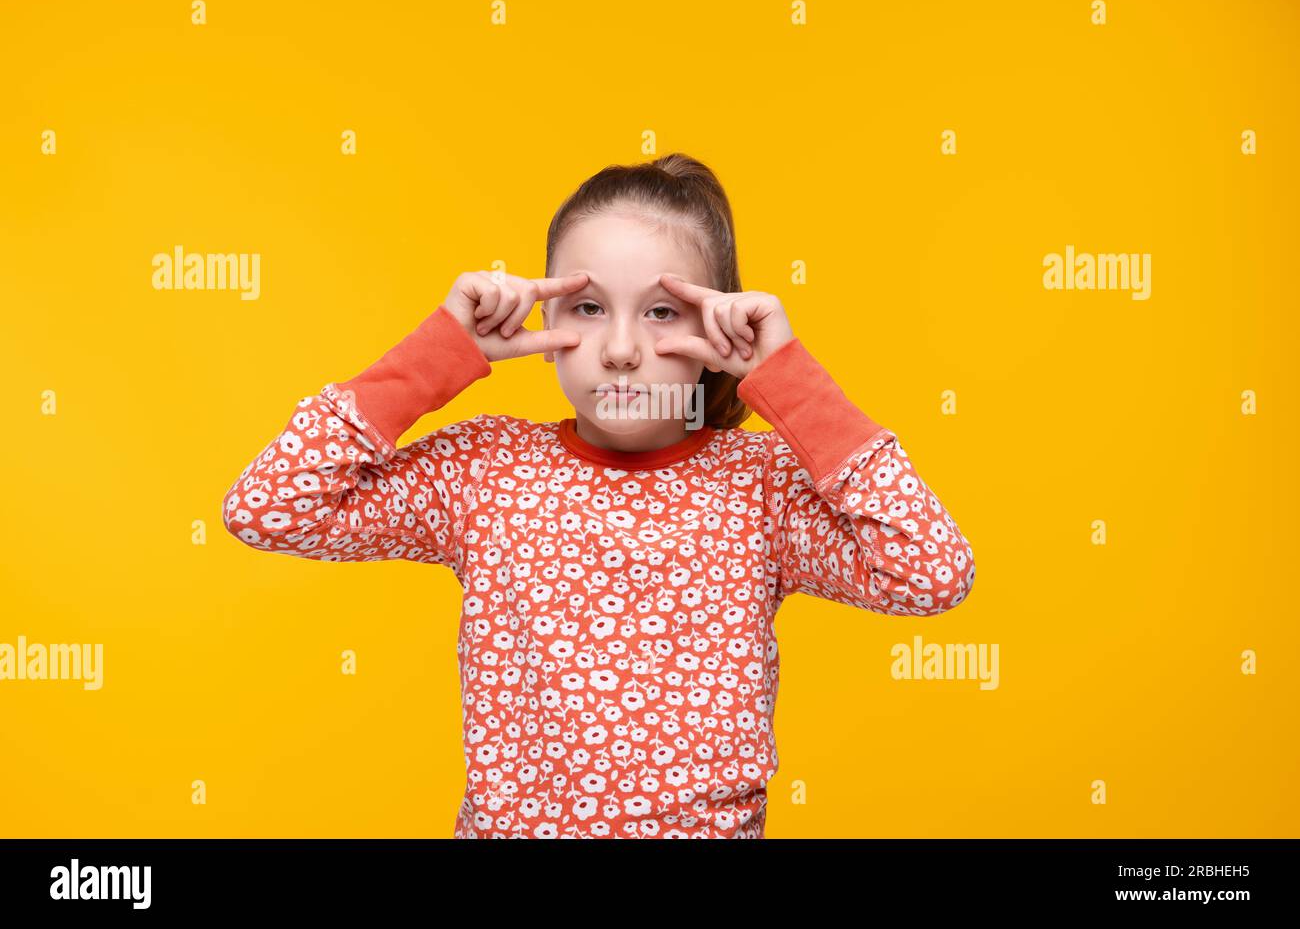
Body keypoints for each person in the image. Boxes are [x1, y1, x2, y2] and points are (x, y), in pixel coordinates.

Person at [221, 152, 976, 838]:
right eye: (588, 308)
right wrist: (440, 351)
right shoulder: (489, 471)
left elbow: (932, 571)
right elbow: (270, 503)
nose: (619, 350)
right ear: (543, 316)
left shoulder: (760, 488)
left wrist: (786, 376)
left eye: (659, 312)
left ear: (718, 327)